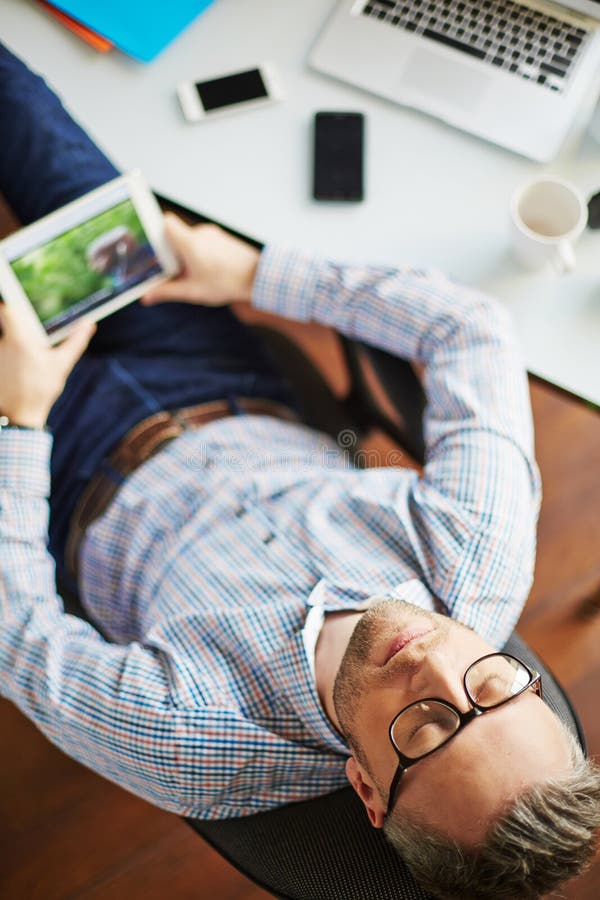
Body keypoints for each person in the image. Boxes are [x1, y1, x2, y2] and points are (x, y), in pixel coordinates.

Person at [0, 43, 598, 900]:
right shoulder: (480, 559)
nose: (432, 664)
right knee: (26, 113)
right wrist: (248, 272)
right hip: (208, 363)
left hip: (56, 477)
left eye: (427, 732)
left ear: (364, 787)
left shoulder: (196, 741)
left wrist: (16, 418)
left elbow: (20, 640)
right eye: (497, 684)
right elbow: (474, 332)